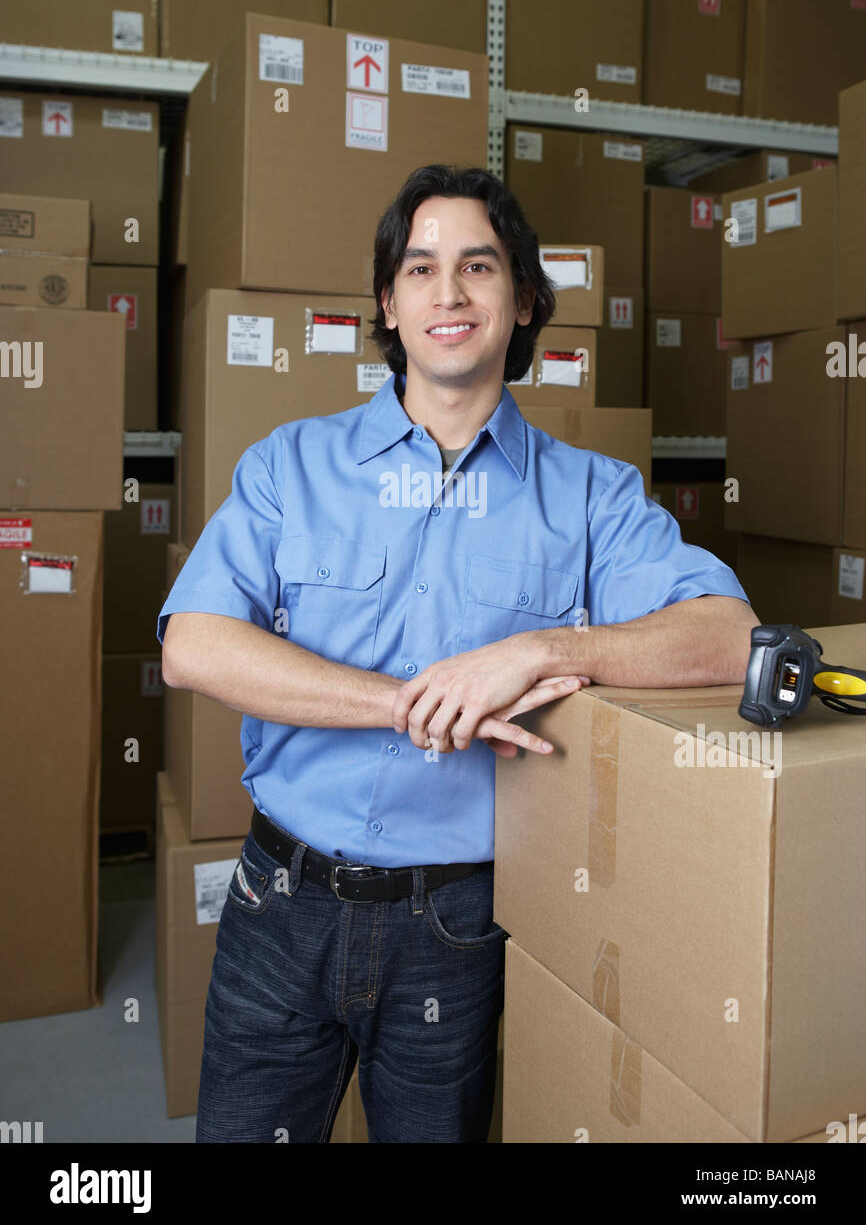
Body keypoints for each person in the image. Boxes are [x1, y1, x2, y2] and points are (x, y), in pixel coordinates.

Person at [158, 164, 758, 1144]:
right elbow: (194, 645)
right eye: (418, 268)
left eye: (477, 267)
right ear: (387, 303)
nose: (446, 293)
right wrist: (412, 701)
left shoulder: (589, 498)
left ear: (521, 299)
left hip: (457, 923)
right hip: (279, 903)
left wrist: (534, 650)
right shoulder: (289, 464)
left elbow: (728, 639)